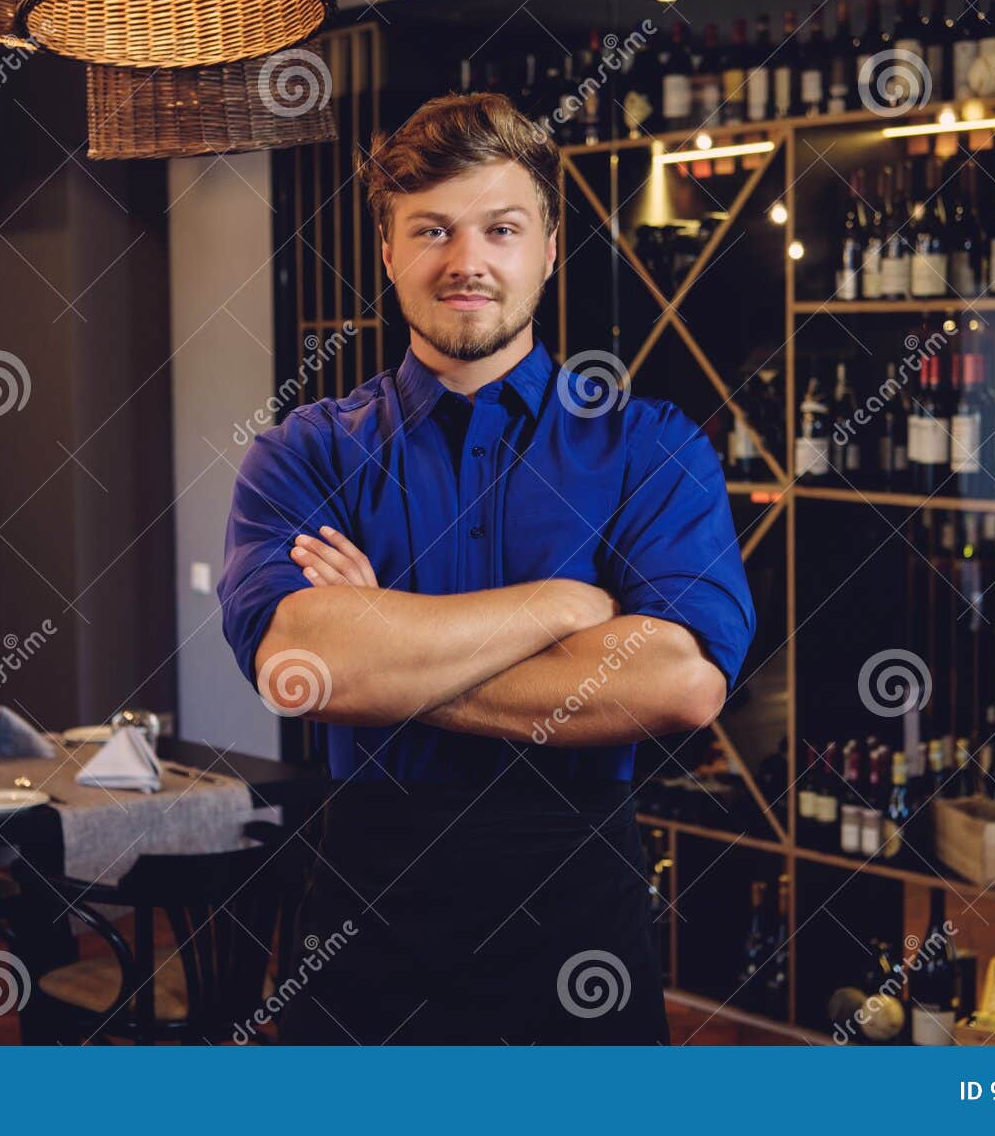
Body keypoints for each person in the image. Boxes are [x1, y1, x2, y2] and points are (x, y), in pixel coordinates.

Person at [218, 91, 755, 1044]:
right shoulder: (302, 455)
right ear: (388, 252)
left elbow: (677, 684)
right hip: (366, 912)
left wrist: (386, 647)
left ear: (548, 246)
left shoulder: (651, 450)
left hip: (578, 912)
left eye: (500, 229)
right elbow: (300, 663)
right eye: (431, 230)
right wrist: (564, 605)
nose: (466, 262)